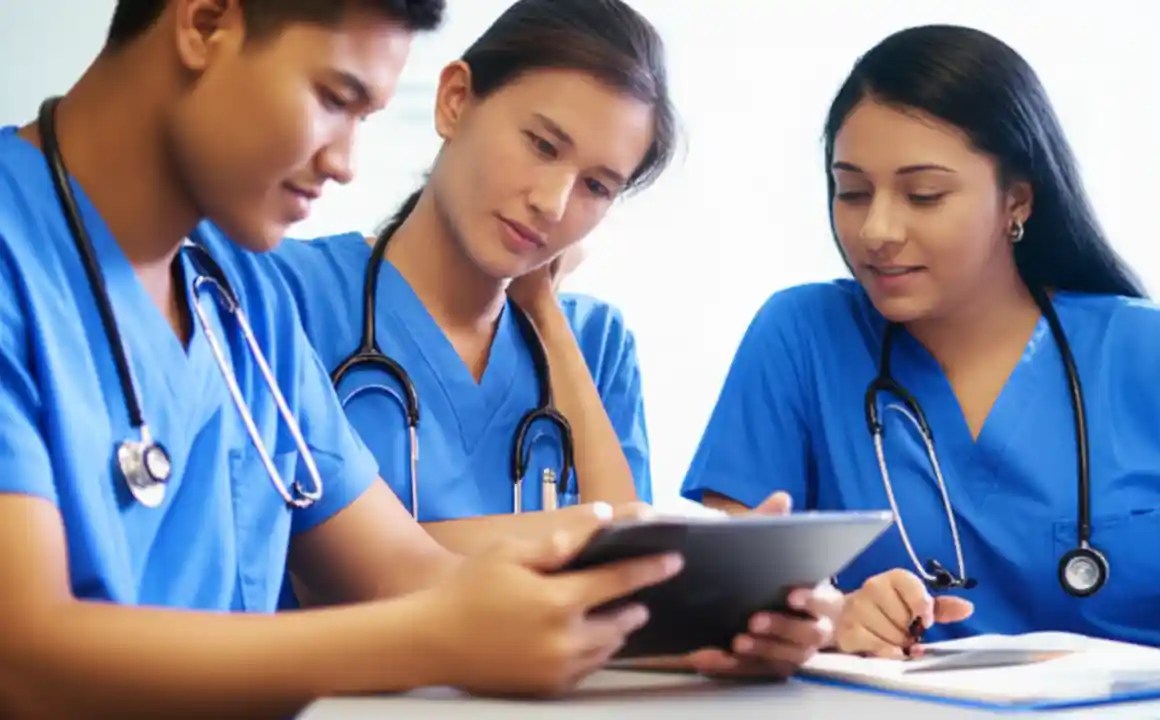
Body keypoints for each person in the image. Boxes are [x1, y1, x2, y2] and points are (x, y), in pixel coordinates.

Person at [0, 2, 833, 717]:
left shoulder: (240, 301)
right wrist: (434, 641)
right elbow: (21, 659)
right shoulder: (25, 255)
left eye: (364, 117)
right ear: (207, 21)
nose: (345, 163)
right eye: (334, 99)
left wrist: (698, 626)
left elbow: (403, 571)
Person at [680, 24, 1160, 657]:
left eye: (924, 195)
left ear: (1016, 200)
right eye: (852, 192)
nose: (876, 230)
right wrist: (832, 619)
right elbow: (719, 606)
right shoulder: (803, 337)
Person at [269, 0, 668, 555]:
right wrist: (572, 539)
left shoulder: (597, 344)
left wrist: (546, 317)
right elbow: (302, 553)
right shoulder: (284, 293)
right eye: (543, 146)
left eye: (596, 187)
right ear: (455, 100)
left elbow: (633, 566)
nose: (553, 204)